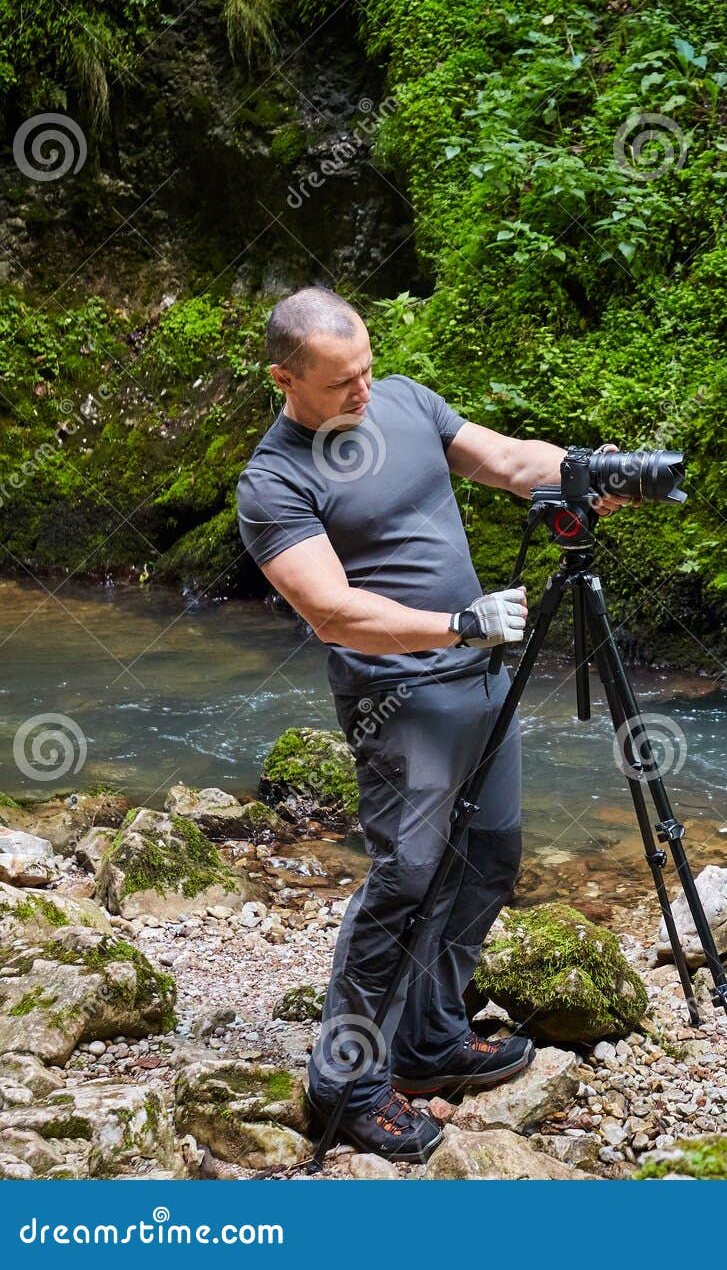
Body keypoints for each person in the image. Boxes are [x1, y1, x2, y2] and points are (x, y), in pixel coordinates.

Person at [234, 286, 636, 1161]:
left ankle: (428, 1037)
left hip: (482, 680)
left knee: (489, 858)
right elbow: (332, 612)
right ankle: (346, 1083)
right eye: (341, 381)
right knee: (406, 879)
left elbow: (506, 459)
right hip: (400, 703)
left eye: (367, 367)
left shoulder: (406, 400)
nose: (363, 390)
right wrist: (459, 623)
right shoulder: (273, 481)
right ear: (284, 380)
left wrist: (584, 469)